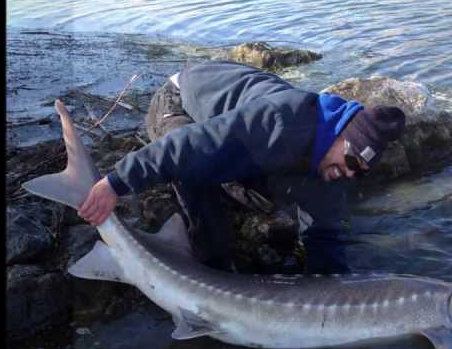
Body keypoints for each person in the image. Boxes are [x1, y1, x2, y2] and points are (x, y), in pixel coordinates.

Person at [77, 60, 406, 273]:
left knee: (263, 192)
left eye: (359, 172)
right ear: (338, 136)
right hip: (181, 100)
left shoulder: (332, 170)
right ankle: (207, 265)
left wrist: (333, 287)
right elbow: (192, 146)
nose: (348, 173)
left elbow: (324, 234)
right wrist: (115, 183)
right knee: (201, 180)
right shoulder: (280, 121)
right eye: (350, 161)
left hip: (238, 116)